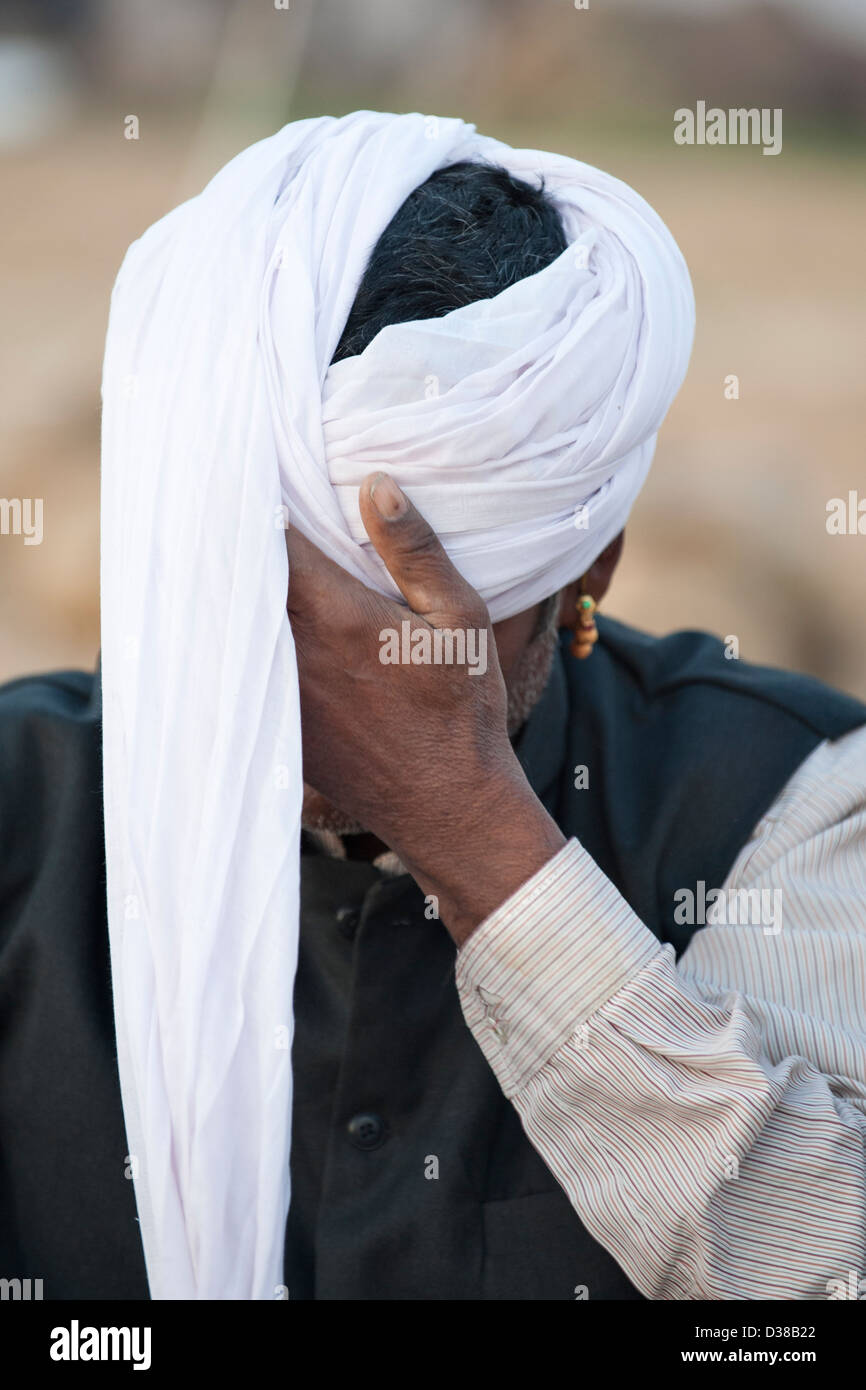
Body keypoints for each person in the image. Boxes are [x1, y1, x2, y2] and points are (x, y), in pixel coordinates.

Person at [2, 140, 865, 1302]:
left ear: (589, 564)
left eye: (410, 600)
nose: (329, 660)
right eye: (279, 586)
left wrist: (466, 826)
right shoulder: (20, 807)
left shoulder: (788, 801)